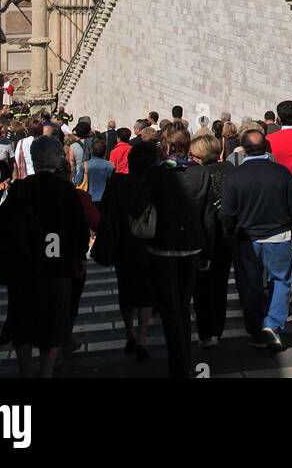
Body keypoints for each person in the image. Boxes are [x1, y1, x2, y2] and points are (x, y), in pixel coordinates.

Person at [0, 135, 90, 378]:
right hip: (56, 265)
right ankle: (46, 372)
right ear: (57, 160)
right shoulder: (65, 190)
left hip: (23, 265)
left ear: (34, 159)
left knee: (22, 320)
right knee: (53, 321)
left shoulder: (20, 188)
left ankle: (25, 370)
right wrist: (79, 258)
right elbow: (78, 229)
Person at [220, 128, 292, 352]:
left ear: (243, 150)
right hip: (279, 236)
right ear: (266, 148)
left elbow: (226, 214)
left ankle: (256, 328)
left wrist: (231, 232)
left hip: (246, 239)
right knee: (280, 281)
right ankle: (272, 324)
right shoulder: (281, 172)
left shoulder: (235, 176)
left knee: (249, 284)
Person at [140, 125, 215, 377]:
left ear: (168, 146)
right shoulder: (202, 173)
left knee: (171, 310)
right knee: (183, 307)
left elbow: (138, 206)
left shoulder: (156, 173)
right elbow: (208, 217)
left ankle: (179, 364)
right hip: (192, 248)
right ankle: (183, 359)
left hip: (162, 249)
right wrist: (206, 253)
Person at [97, 138, 157, 361]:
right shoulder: (154, 184)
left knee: (126, 292)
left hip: (123, 245)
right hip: (148, 245)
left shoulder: (117, 183)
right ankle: (141, 338)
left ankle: (129, 333)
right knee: (146, 294)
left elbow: (105, 210)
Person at [190, 133, 232, 348]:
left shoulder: (198, 174)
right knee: (220, 286)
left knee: (202, 289)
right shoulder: (230, 170)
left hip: (206, 239)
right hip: (227, 238)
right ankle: (218, 327)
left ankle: (207, 333)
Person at [75, 138, 115, 204]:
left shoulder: (84, 165)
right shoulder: (111, 166)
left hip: (89, 198)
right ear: (105, 152)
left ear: (92, 151)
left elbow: (77, 181)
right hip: (105, 199)